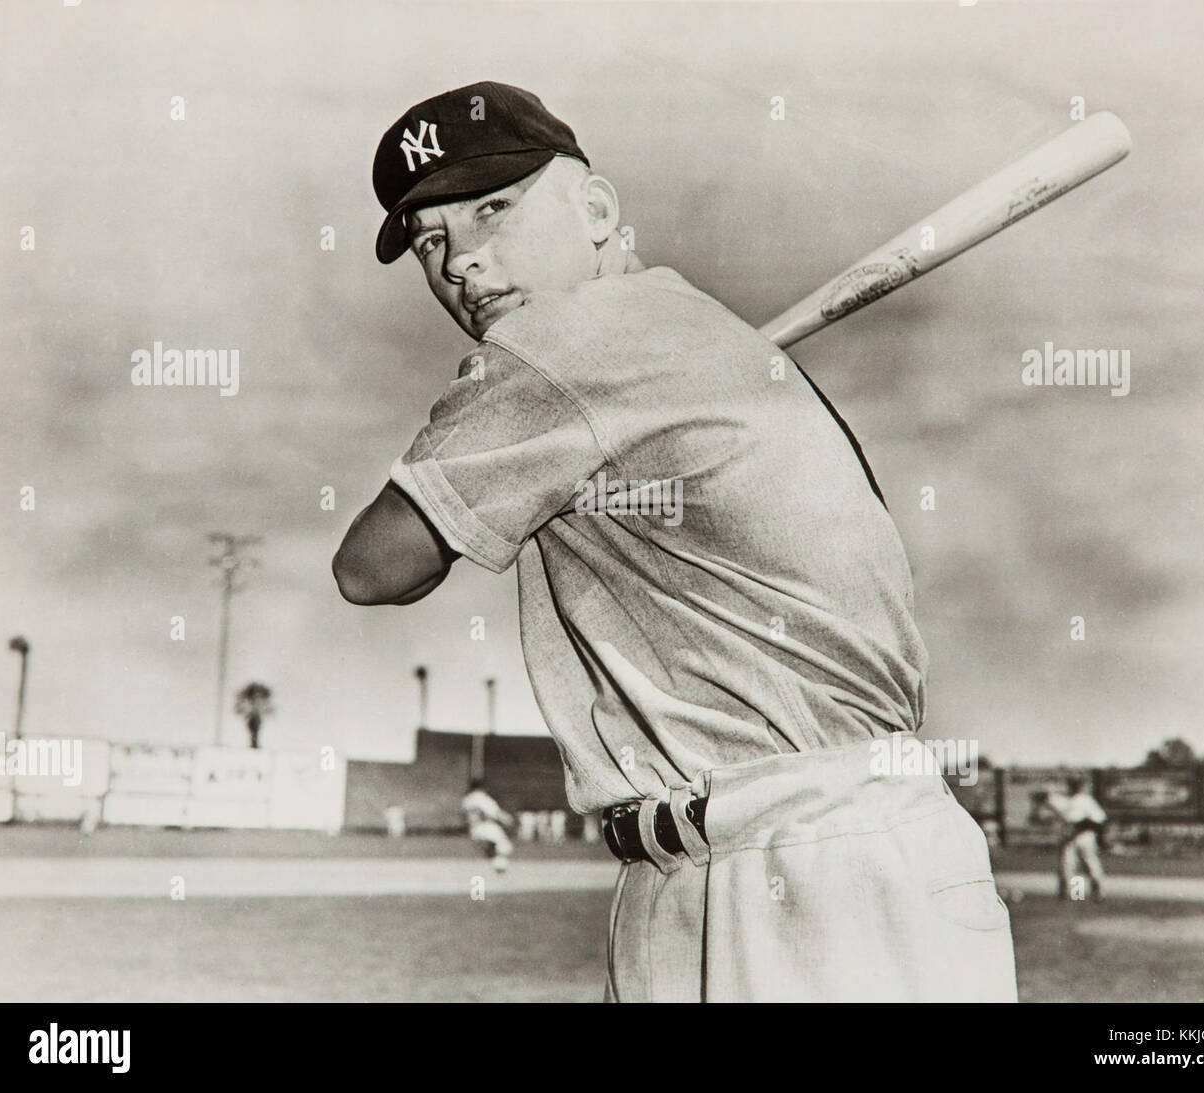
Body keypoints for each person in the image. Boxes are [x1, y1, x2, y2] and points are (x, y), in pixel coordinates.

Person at [333, 81, 1018, 1001]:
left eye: (493, 207)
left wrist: (530, 448)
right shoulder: (691, 333)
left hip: (796, 866)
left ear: (597, 208)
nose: (461, 261)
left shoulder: (565, 346)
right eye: (430, 240)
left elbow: (373, 568)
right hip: (798, 852)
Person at [1047, 775, 1107, 900]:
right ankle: (1076, 894)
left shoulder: (1086, 800)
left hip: (1084, 836)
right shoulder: (1064, 799)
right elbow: (1047, 800)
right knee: (1068, 865)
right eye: (1072, 783)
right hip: (1069, 837)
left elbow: (1099, 819)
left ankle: (1098, 892)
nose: (1073, 786)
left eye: (1076, 783)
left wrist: (1079, 826)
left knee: (1090, 864)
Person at [461, 778, 514, 873]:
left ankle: (497, 866)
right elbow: (494, 812)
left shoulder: (467, 800)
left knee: (491, 848)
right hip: (486, 827)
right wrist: (507, 819)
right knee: (505, 846)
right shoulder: (481, 797)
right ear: (480, 787)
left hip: (474, 829)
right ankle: (500, 867)